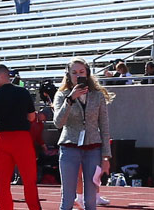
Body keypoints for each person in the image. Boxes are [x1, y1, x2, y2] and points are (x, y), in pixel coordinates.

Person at [55, 58, 115, 210]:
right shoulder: (62, 95)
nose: (78, 75)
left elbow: (104, 125)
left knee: (90, 199)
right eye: (74, 72)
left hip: (93, 148)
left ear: (87, 73)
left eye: (81, 72)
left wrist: (106, 156)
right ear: (68, 75)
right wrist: (70, 99)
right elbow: (58, 122)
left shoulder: (97, 95)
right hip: (69, 147)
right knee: (67, 198)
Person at [0, 64, 43, 210]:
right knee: (29, 180)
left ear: (2, 76)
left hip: (3, 139)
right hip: (22, 139)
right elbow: (31, 117)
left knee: (2, 182)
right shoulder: (23, 92)